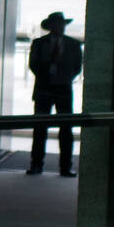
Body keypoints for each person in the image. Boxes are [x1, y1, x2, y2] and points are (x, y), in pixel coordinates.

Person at [27, 11, 81, 177]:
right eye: (58, 24)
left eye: (62, 24)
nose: (61, 27)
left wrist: (63, 78)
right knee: (40, 128)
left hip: (63, 89)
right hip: (44, 88)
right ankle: (36, 165)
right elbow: (33, 65)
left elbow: (77, 67)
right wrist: (48, 73)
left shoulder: (73, 44)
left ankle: (65, 167)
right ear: (51, 26)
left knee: (66, 129)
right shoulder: (39, 43)